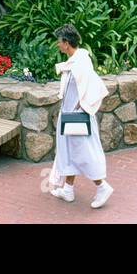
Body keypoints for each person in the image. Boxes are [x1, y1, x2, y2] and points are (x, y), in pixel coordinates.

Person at [48, 24, 114, 209]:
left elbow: (94, 86)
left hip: (78, 117)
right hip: (69, 115)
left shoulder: (81, 62)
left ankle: (102, 187)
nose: (57, 45)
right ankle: (68, 189)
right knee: (68, 152)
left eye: (59, 42)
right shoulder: (73, 62)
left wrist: (82, 106)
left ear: (67, 43)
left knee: (84, 153)